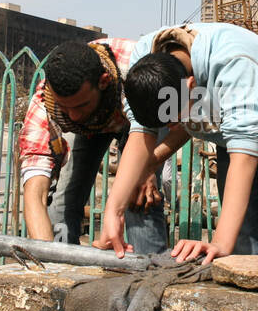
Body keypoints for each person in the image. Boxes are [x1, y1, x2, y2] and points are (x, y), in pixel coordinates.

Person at [94, 22, 258, 268]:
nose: (171, 129)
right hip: (231, 135)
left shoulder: (233, 60)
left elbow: (243, 157)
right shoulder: (145, 60)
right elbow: (141, 135)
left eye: (174, 119)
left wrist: (220, 243)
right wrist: (113, 212)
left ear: (191, 86)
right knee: (244, 251)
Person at [19, 39, 167, 253]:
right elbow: (35, 195)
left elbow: (162, 120)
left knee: (138, 192)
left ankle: (151, 271)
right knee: (61, 203)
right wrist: (47, 265)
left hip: (141, 117)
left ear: (104, 81)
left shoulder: (135, 69)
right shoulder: (44, 104)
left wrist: (147, 167)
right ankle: (62, 267)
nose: (74, 115)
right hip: (90, 131)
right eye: (65, 108)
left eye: (80, 105)